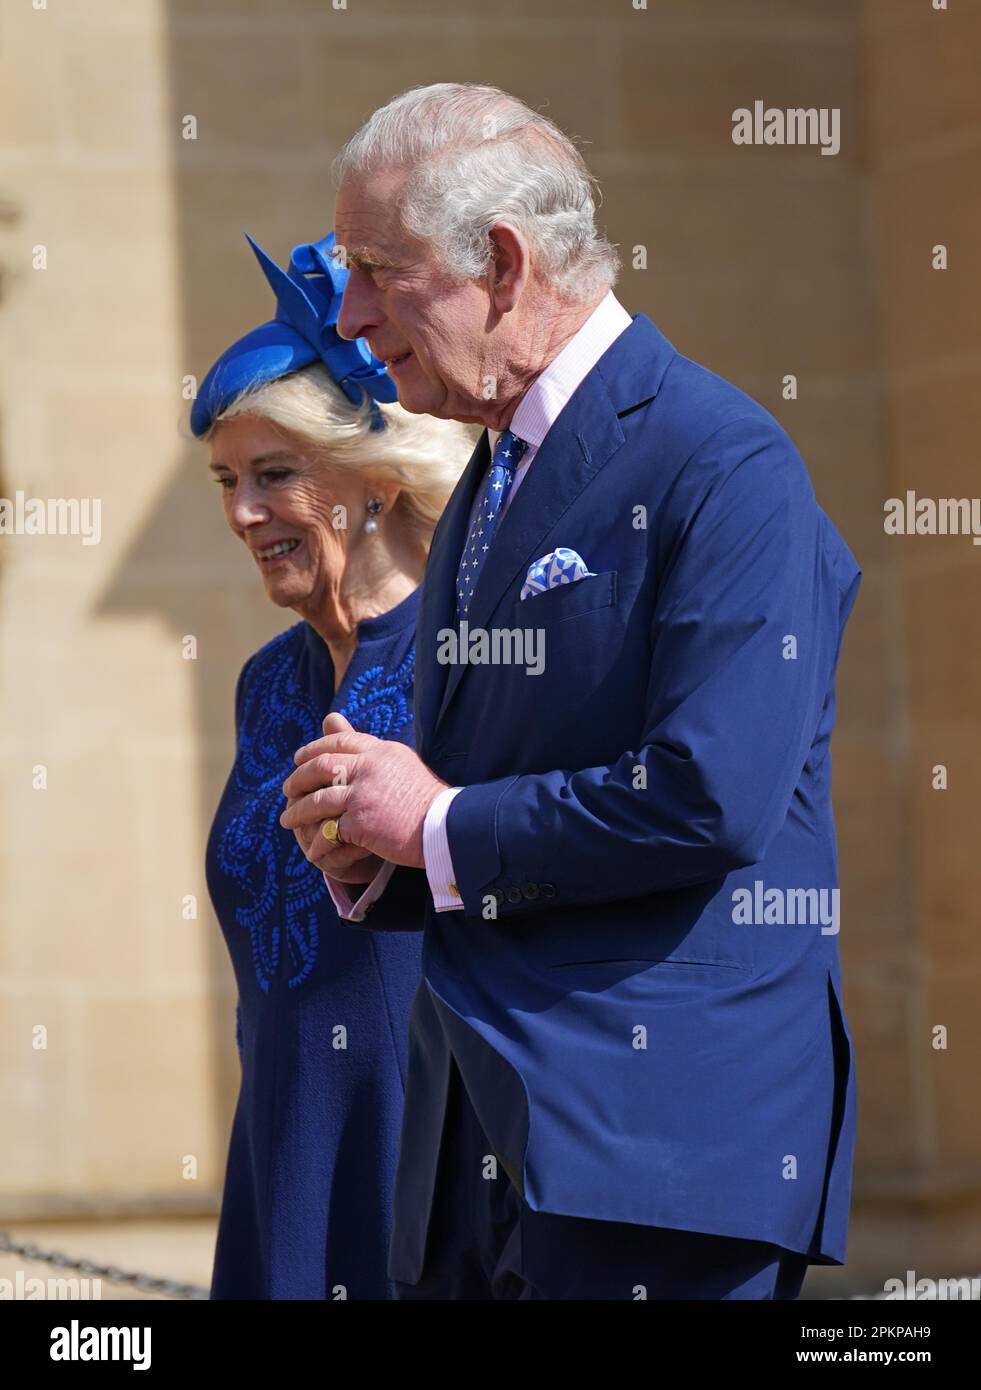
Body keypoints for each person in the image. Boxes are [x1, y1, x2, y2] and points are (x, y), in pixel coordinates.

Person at [283, 83, 862, 1301]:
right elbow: (500, 790)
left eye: (381, 271)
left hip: (652, 1150)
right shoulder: (497, 473)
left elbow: (712, 794)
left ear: (499, 263)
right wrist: (380, 852)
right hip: (480, 1145)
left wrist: (434, 823)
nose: (352, 315)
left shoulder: (723, 460)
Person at [192, 229, 474, 1298]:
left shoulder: (474, 653)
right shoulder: (266, 683)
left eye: (274, 475)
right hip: (282, 1164)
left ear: (377, 480)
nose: (243, 514)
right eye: (227, 481)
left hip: (435, 1174)